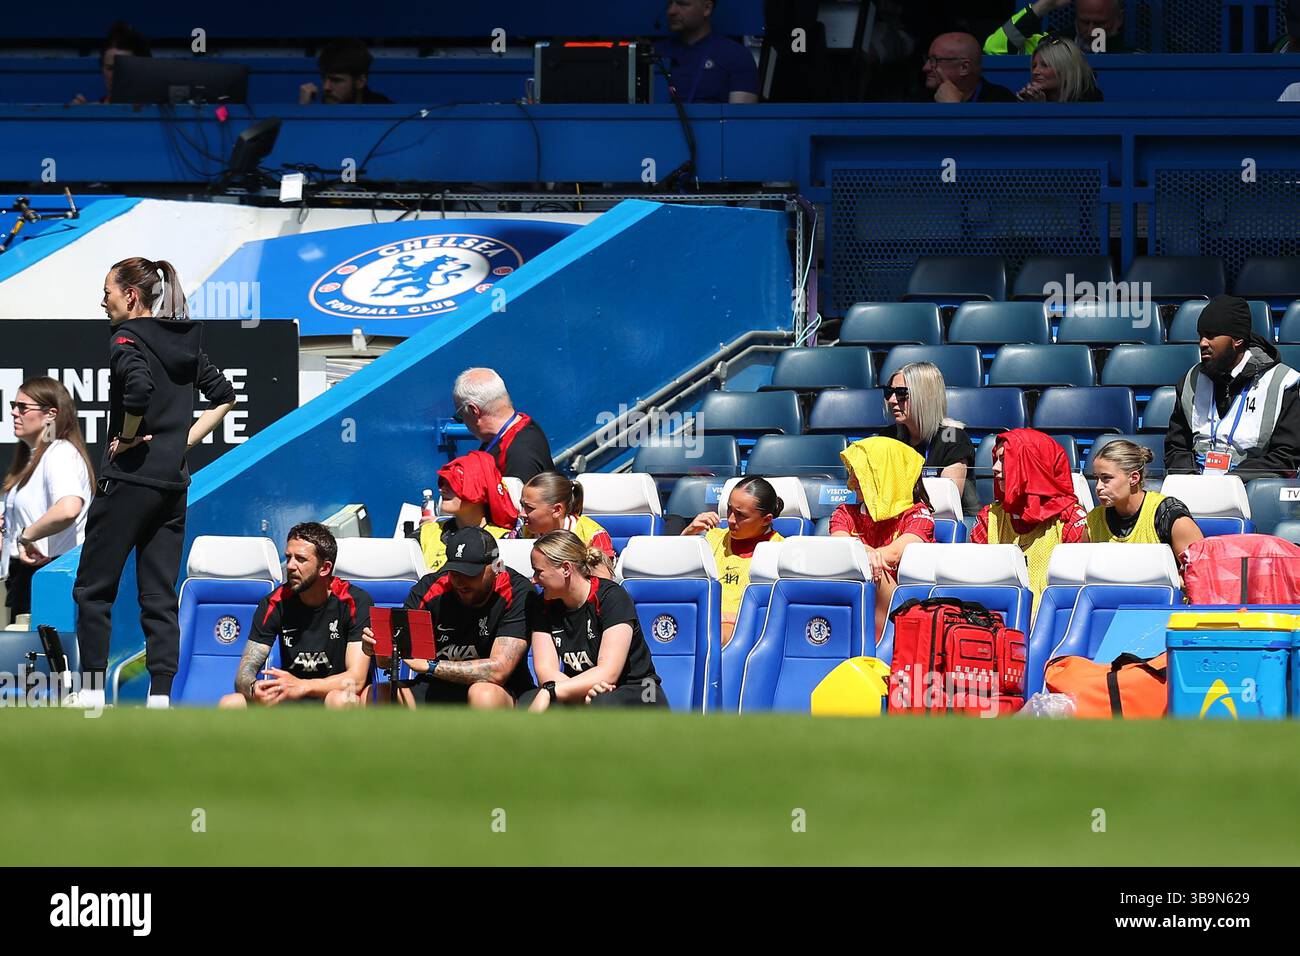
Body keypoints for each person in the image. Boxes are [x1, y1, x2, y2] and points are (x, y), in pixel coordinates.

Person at [71, 257, 238, 710]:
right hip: (172, 484)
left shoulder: (125, 338)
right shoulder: (183, 341)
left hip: (128, 480)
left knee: (93, 587)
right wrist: (179, 446)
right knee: (159, 593)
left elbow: (139, 391)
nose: (102, 300)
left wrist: (126, 438)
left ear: (131, 296)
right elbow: (225, 397)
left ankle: (89, 695)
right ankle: (160, 697)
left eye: (107, 291)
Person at [362, 527, 534, 708]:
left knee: (482, 694)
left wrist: (431, 666)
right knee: (374, 696)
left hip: (500, 689)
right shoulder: (430, 588)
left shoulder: (516, 591)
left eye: (470, 574)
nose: (460, 581)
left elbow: (499, 671)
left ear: (496, 567)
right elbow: (390, 660)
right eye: (454, 572)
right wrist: (378, 648)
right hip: (435, 687)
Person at [219, 524, 371, 709]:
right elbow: (244, 672)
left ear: (324, 568)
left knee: (340, 700)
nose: (290, 566)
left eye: (300, 559)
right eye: (288, 557)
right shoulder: (274, 603)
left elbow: (355, 679)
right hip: (289, 697)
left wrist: (302, 686)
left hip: (331, 694)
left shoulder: (355, 601)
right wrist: (253, 688)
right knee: (231, 703)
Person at [521, 530, 668, 710]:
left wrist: (551, 692)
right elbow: (546, 672)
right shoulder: (543, 604)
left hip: (642, 690)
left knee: (602, 703)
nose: (534, 580)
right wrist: (573, 694)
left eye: (538, 572)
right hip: (586, 689)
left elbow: (609, 672)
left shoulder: (612, 597)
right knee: (528, 699)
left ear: (566, 569)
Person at [1165, 295, 1300, 479]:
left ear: (1237, 340)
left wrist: (1232, 482)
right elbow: (1176, 447)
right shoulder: (1191, 380)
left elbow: (1286, 458)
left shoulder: (1283, 383)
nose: (1203, 343)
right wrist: (1191, 479)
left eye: (1211, 335)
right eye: (1201, 335)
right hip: (1195, 489)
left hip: (1251, 492)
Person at [1, 379, 94, 625]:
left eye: (22, 407)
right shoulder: (31, 458)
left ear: (51, 414)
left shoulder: (60, 453)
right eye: (14, 405)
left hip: (49, 578)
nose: (13, 412)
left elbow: (68, 507)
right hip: (25, 579)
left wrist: (26, 536)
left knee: (41, 661)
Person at [971, 428, 1090, 607]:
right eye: (996, 460)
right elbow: (975, 581)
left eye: (1004, 460)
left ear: (1032, 466)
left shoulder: (1071, 521)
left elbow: (1077, 595)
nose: (994, 468)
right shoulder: (989, 518)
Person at [830, 437, 936, 635]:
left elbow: (894, 554)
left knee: (873, 571)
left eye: (859, 473)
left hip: (906, 606)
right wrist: (868, 553)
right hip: (858, 596)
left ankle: (876, 647)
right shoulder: (844, 512)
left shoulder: (919, 515)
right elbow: (841, 548)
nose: (850, 483)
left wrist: (863, 554)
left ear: (886, 475)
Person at [679, 476, 784, 645]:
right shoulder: (711, 538)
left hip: (746, 634)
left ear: (766, 520)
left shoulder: (780, 551)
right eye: (729, 510)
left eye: (741, 515)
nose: (730, 520)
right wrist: (688, 534)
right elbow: (675, 577)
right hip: (699, 623)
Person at [883, 362, 979, 516]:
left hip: (938, 528)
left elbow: (945, 505)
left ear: (926, 397)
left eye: (901, 393)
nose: (892, 400)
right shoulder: (886, 438)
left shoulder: (952, 437)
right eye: (889, 392)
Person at [1088, 440, 1203, 565]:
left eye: (1106, 478)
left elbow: (1201, 573)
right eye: (1096, 478)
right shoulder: (1093, 520)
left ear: (1134, 478)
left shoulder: (1170, 516)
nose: (1098, 486)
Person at [419, 450, 517, 573]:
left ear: (479, 490)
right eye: (443, 483)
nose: (441, 489)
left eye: (452, 484)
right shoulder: (426, 532)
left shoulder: (504, 540)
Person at [452, 368, 555, 482]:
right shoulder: (525, 424)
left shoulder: (518, 456)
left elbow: (520, 499)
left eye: (460, 416)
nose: (463, 422)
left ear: (473, 410)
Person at [656, 0, 760, 104]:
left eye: (682, 4)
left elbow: (740, 117)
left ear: (707, 8)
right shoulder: (654, 53)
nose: (671, 11)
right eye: (670, 3)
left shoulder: (736, 56)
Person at [519, 472, 615, 564]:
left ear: (557, 510)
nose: (521, 514)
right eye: (522, 505)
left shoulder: (593, 535)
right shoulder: (522, 532)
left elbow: (603, 578)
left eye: (529, 508)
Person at [985, 0, 1136, 56]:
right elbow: (993, 48)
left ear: (1119, 19)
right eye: (1084, 22)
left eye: (1100, 24)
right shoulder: (1048, 46)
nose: (1091, 31)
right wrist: (1045, 5)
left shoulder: (1134, 58)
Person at [923, 32, 1017, 103]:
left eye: (934, 60)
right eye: (927, 59)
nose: (925, 68)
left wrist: (954, 109)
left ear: (964, 68)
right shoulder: (920, 99)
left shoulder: (1000, 100)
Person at [72, 21, 151, 105]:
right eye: (110, 68)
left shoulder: (159, 112)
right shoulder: (89, 111)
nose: (115, 75)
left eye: (123, 68)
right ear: (102, 69)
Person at [299, 38, 392, 104]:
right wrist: (304, 110)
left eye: (336, 80)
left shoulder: (383, 108)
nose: (326, 87)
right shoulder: (322, 106)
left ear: (360, 82)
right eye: (324, 78)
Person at [1017, 35, 1104, 102]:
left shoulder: (1090, 101)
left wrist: (1042, 109)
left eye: (1045, 65)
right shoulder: (1029, 100)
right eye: (1034, 66)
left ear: (1067, 69)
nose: (1035, 71)